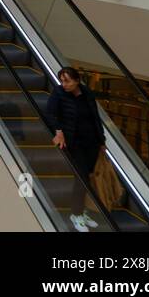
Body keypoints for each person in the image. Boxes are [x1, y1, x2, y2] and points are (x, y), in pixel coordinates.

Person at [45, 66, 107, 232]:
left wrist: (102, 141)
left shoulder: (86, 93)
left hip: (92, 143)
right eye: (62, 81)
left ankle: (82, 211)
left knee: (86, 178)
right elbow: (50, 114)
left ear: (77, 81)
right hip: (73, 143)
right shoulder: (59, 93)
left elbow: (95, 117)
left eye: (67, 81)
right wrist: (58, 131)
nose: (64, 84)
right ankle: (76, 215)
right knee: (82, 179)